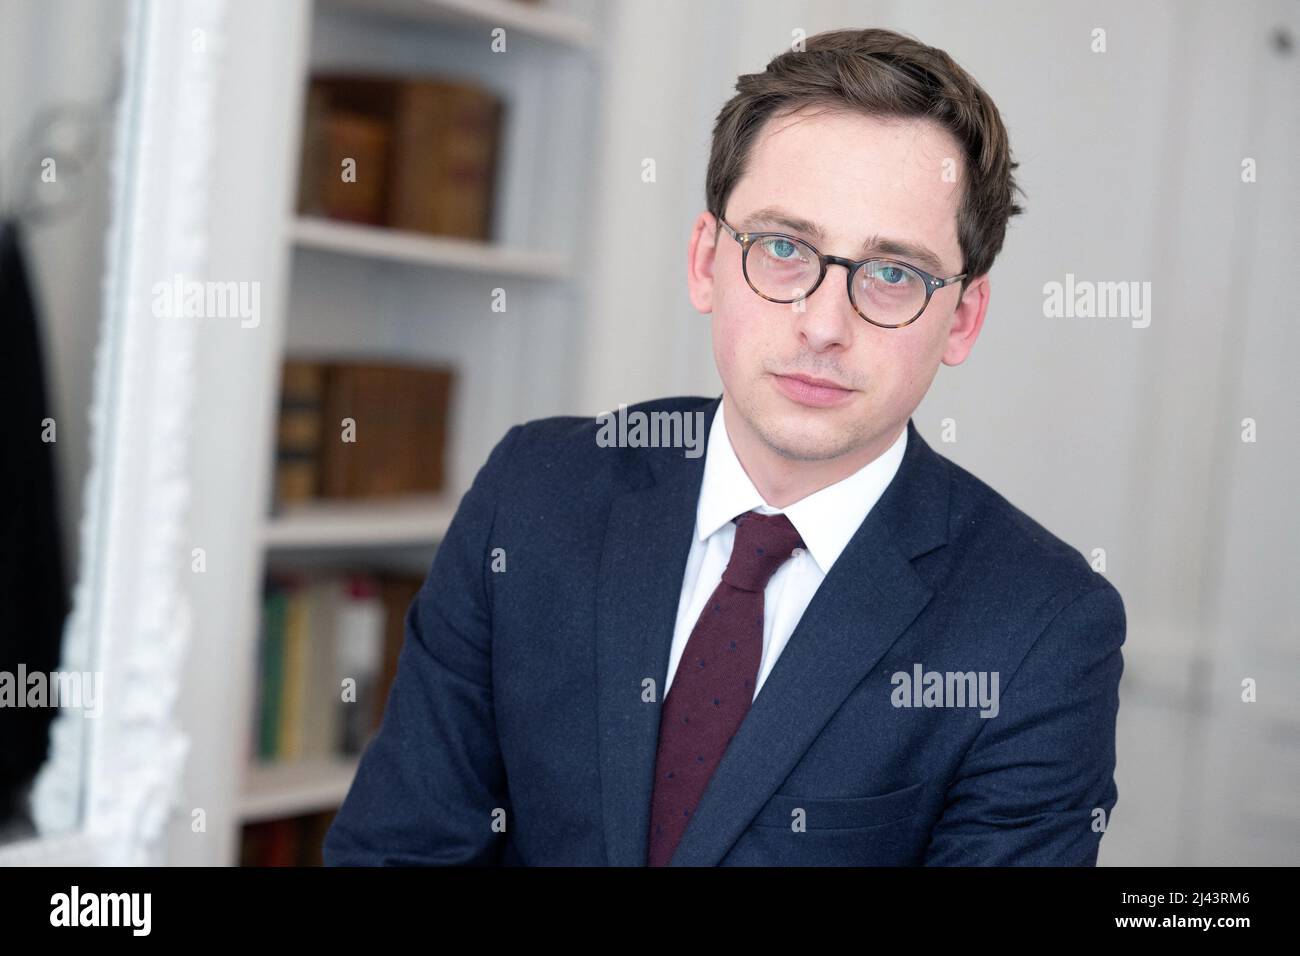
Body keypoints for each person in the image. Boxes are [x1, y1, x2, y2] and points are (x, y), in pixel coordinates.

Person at [323, 27, 1124, 867]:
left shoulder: (1044, 628)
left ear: (961, 319)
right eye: (783, 249)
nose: (823, 324)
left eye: (894, 274)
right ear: (707, 260)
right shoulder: (531, 495)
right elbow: (398, 854)